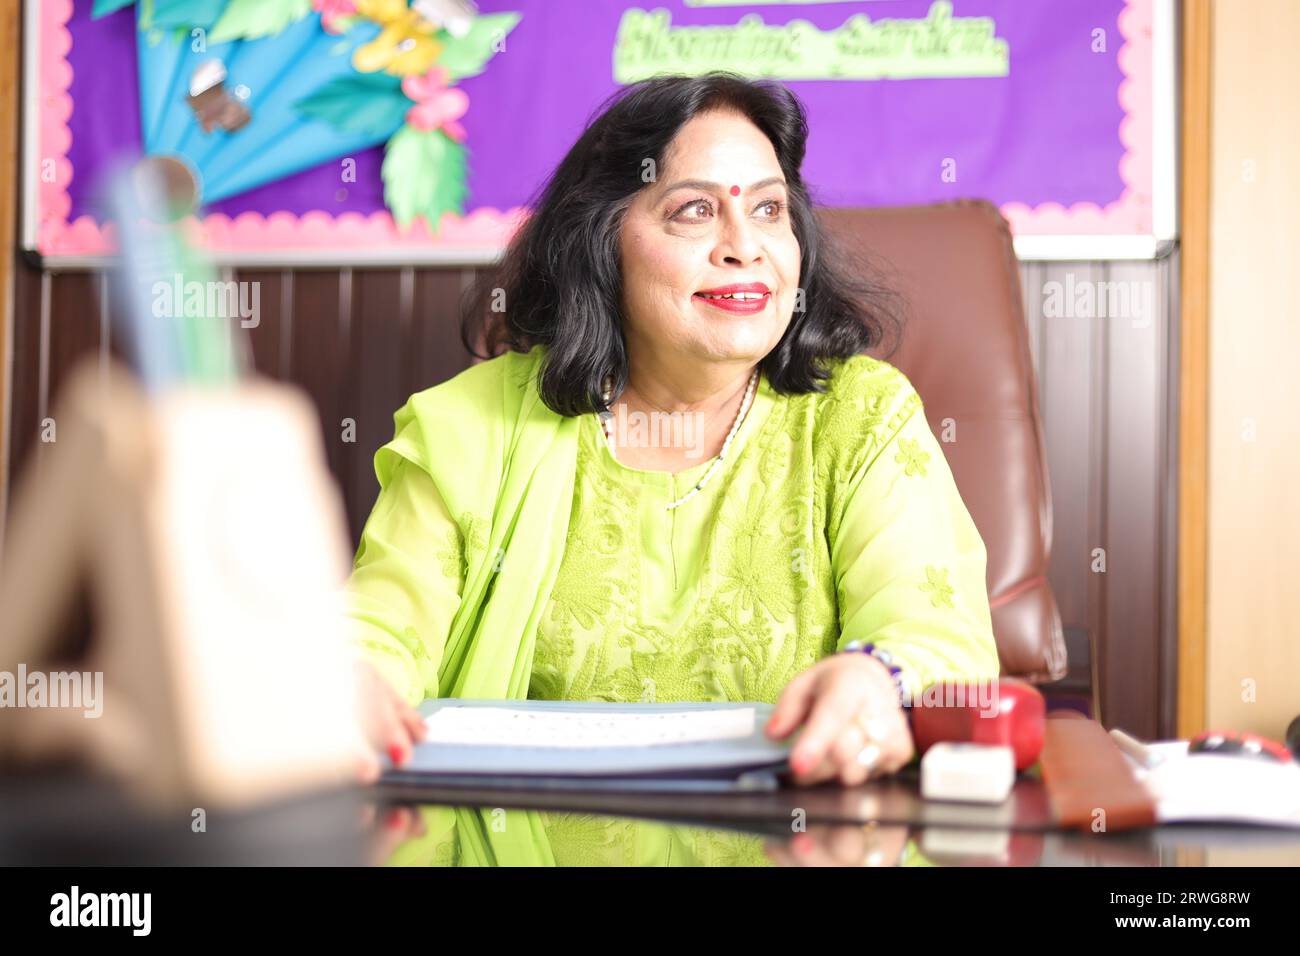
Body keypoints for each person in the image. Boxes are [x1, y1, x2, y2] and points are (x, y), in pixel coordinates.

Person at [346, 72, 1000, 788]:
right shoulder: (467, 427)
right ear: (602, 240)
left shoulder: (863, 416)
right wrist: (353, 685)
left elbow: (936, 633)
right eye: (694, 210)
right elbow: (379, 633)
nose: (744, 246)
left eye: (769, 208)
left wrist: (876, 679)